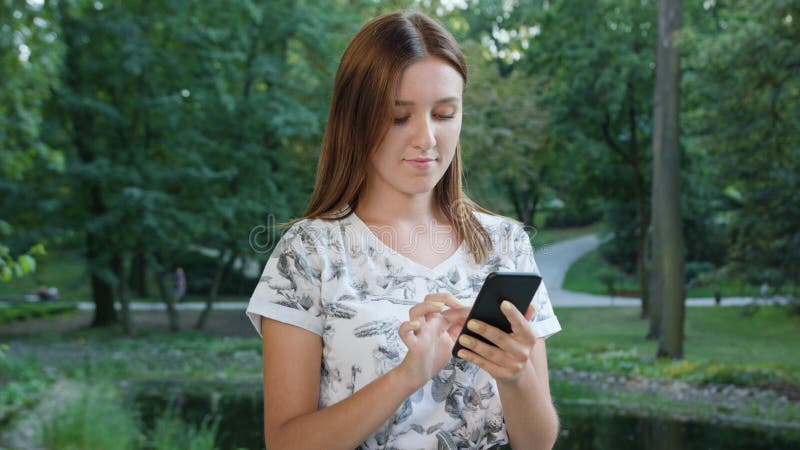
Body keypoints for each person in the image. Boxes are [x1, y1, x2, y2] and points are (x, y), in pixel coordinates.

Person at [246, 11, 561, 450]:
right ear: (355, 118)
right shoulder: (307, 253)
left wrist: (517, 373)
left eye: (445, 114)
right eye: (399, 117)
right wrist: (406, 376)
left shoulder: (506, 245)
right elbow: (285, 443)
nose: (427, 138)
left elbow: (538, 443)